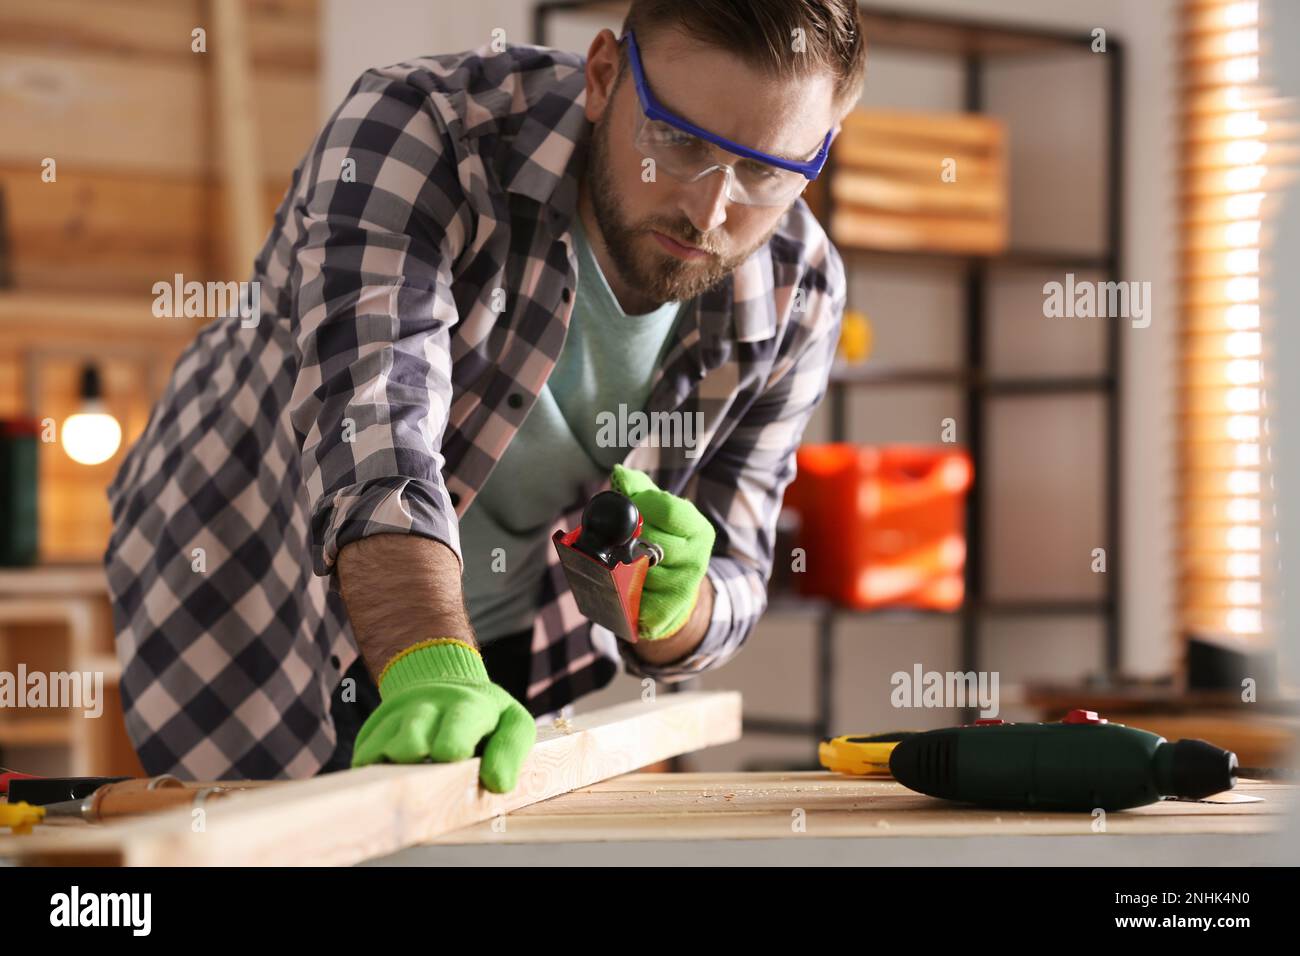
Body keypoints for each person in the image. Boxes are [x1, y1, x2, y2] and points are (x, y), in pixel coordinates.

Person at [103, 0, 865, 789]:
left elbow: (738, 568)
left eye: (765, 171)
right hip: (249, 593)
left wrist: (678, 608)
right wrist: (431, 662)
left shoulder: (798, 290)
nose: (709, 210)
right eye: (676, 141)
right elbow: (374, 422)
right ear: (604, 76)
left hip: (507, 646)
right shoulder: (424, 130)